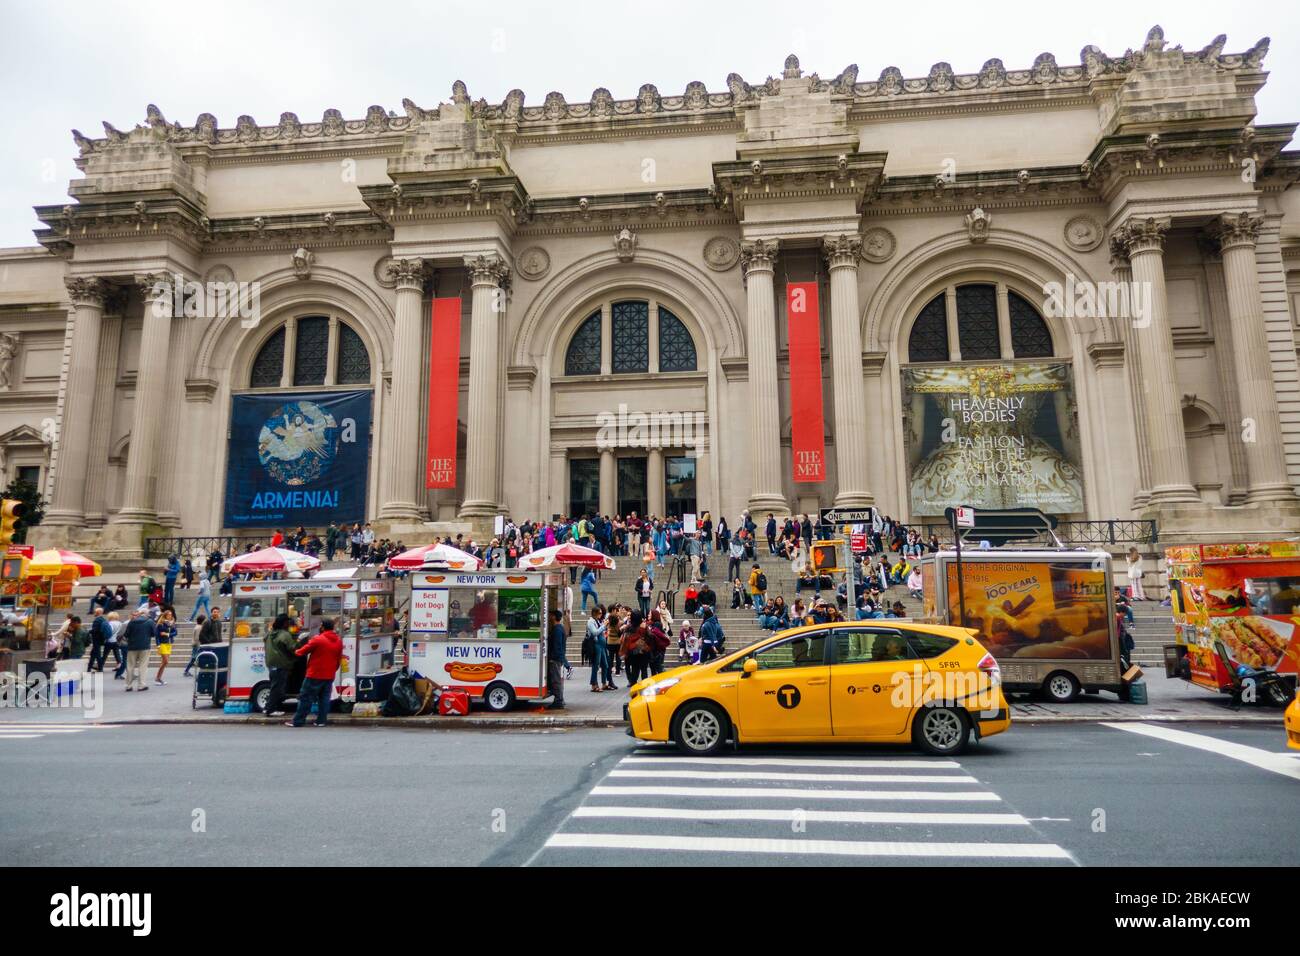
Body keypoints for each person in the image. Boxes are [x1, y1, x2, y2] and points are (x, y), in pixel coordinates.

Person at [288, 619, 343, 727]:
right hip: (329, 674)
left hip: (314, 674)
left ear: (322, 627)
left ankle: (298, 721)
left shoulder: (318, 639)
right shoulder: (338, 641)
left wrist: (294, 651)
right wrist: (333, 670)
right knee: (324, 698)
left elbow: (301, 651)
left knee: (305, 697)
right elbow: (338, 659)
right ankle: (321, 721)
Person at [263, 613, 298, 715]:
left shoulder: (270, 633)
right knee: (277, 687)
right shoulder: (285, 634)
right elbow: (293, 648)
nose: (289, 624)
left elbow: (264, 639)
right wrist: (299, 641)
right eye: (287, 622)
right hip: (280, 664)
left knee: (274, 686)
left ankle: (269, 707)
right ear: (284, 623)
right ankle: (270, 710)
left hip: (271, 664)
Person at [121, 610, 155, 692]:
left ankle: (128, 686)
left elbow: (126, 635)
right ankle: (141, 685)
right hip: (145, 646)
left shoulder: (132, 622)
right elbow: (154, 633)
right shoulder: (150, 622)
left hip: (132, 647)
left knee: (130, 666)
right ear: (146, 615)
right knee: (143, 666)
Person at [545, 608, 568, 711]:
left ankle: (558, 701)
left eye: (551, 615)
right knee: (557, 680)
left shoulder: (557, 629)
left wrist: (553, 658)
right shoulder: (560, 628)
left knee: (556, 680)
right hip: (558, 657)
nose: (549, 617)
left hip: (555, 659)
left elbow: (557, 645)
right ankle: (559, 700)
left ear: (554, 617)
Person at [586, 605, 613, 692]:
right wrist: (603, 626)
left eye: (601, 613)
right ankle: (594, 685)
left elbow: (601, 631)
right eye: (599, 613)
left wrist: (605, 627)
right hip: (596, 645)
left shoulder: (597, 621)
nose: (601, 615)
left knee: (605, 665)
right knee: (595, 665)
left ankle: (604, 684)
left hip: (602, 646)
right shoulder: (591, 622)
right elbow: (595, 633)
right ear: (594, 613)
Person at [154, 609, 177, 685]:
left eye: (171, 614)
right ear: (165, 615)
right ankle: (157, 678)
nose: (170, 616)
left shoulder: (172, 623)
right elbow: (157, 636)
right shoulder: (160, 624)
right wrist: (158, 645)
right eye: (168, 614)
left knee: (164, 663)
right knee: (166, 661)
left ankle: (158, 678)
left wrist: (167, 634)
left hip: (169, 644)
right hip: (162, 644)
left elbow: (175, 632)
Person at [86, 607, 112, 673]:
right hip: (101, 639)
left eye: (95, 612)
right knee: (93, 654)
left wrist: (88, 631)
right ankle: (89, 667)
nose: (94, 613)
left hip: (96, 640)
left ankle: (100, 668)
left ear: (97, 613)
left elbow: (95, 630)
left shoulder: (97, 620)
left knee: (97, 654)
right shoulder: (103, 619)